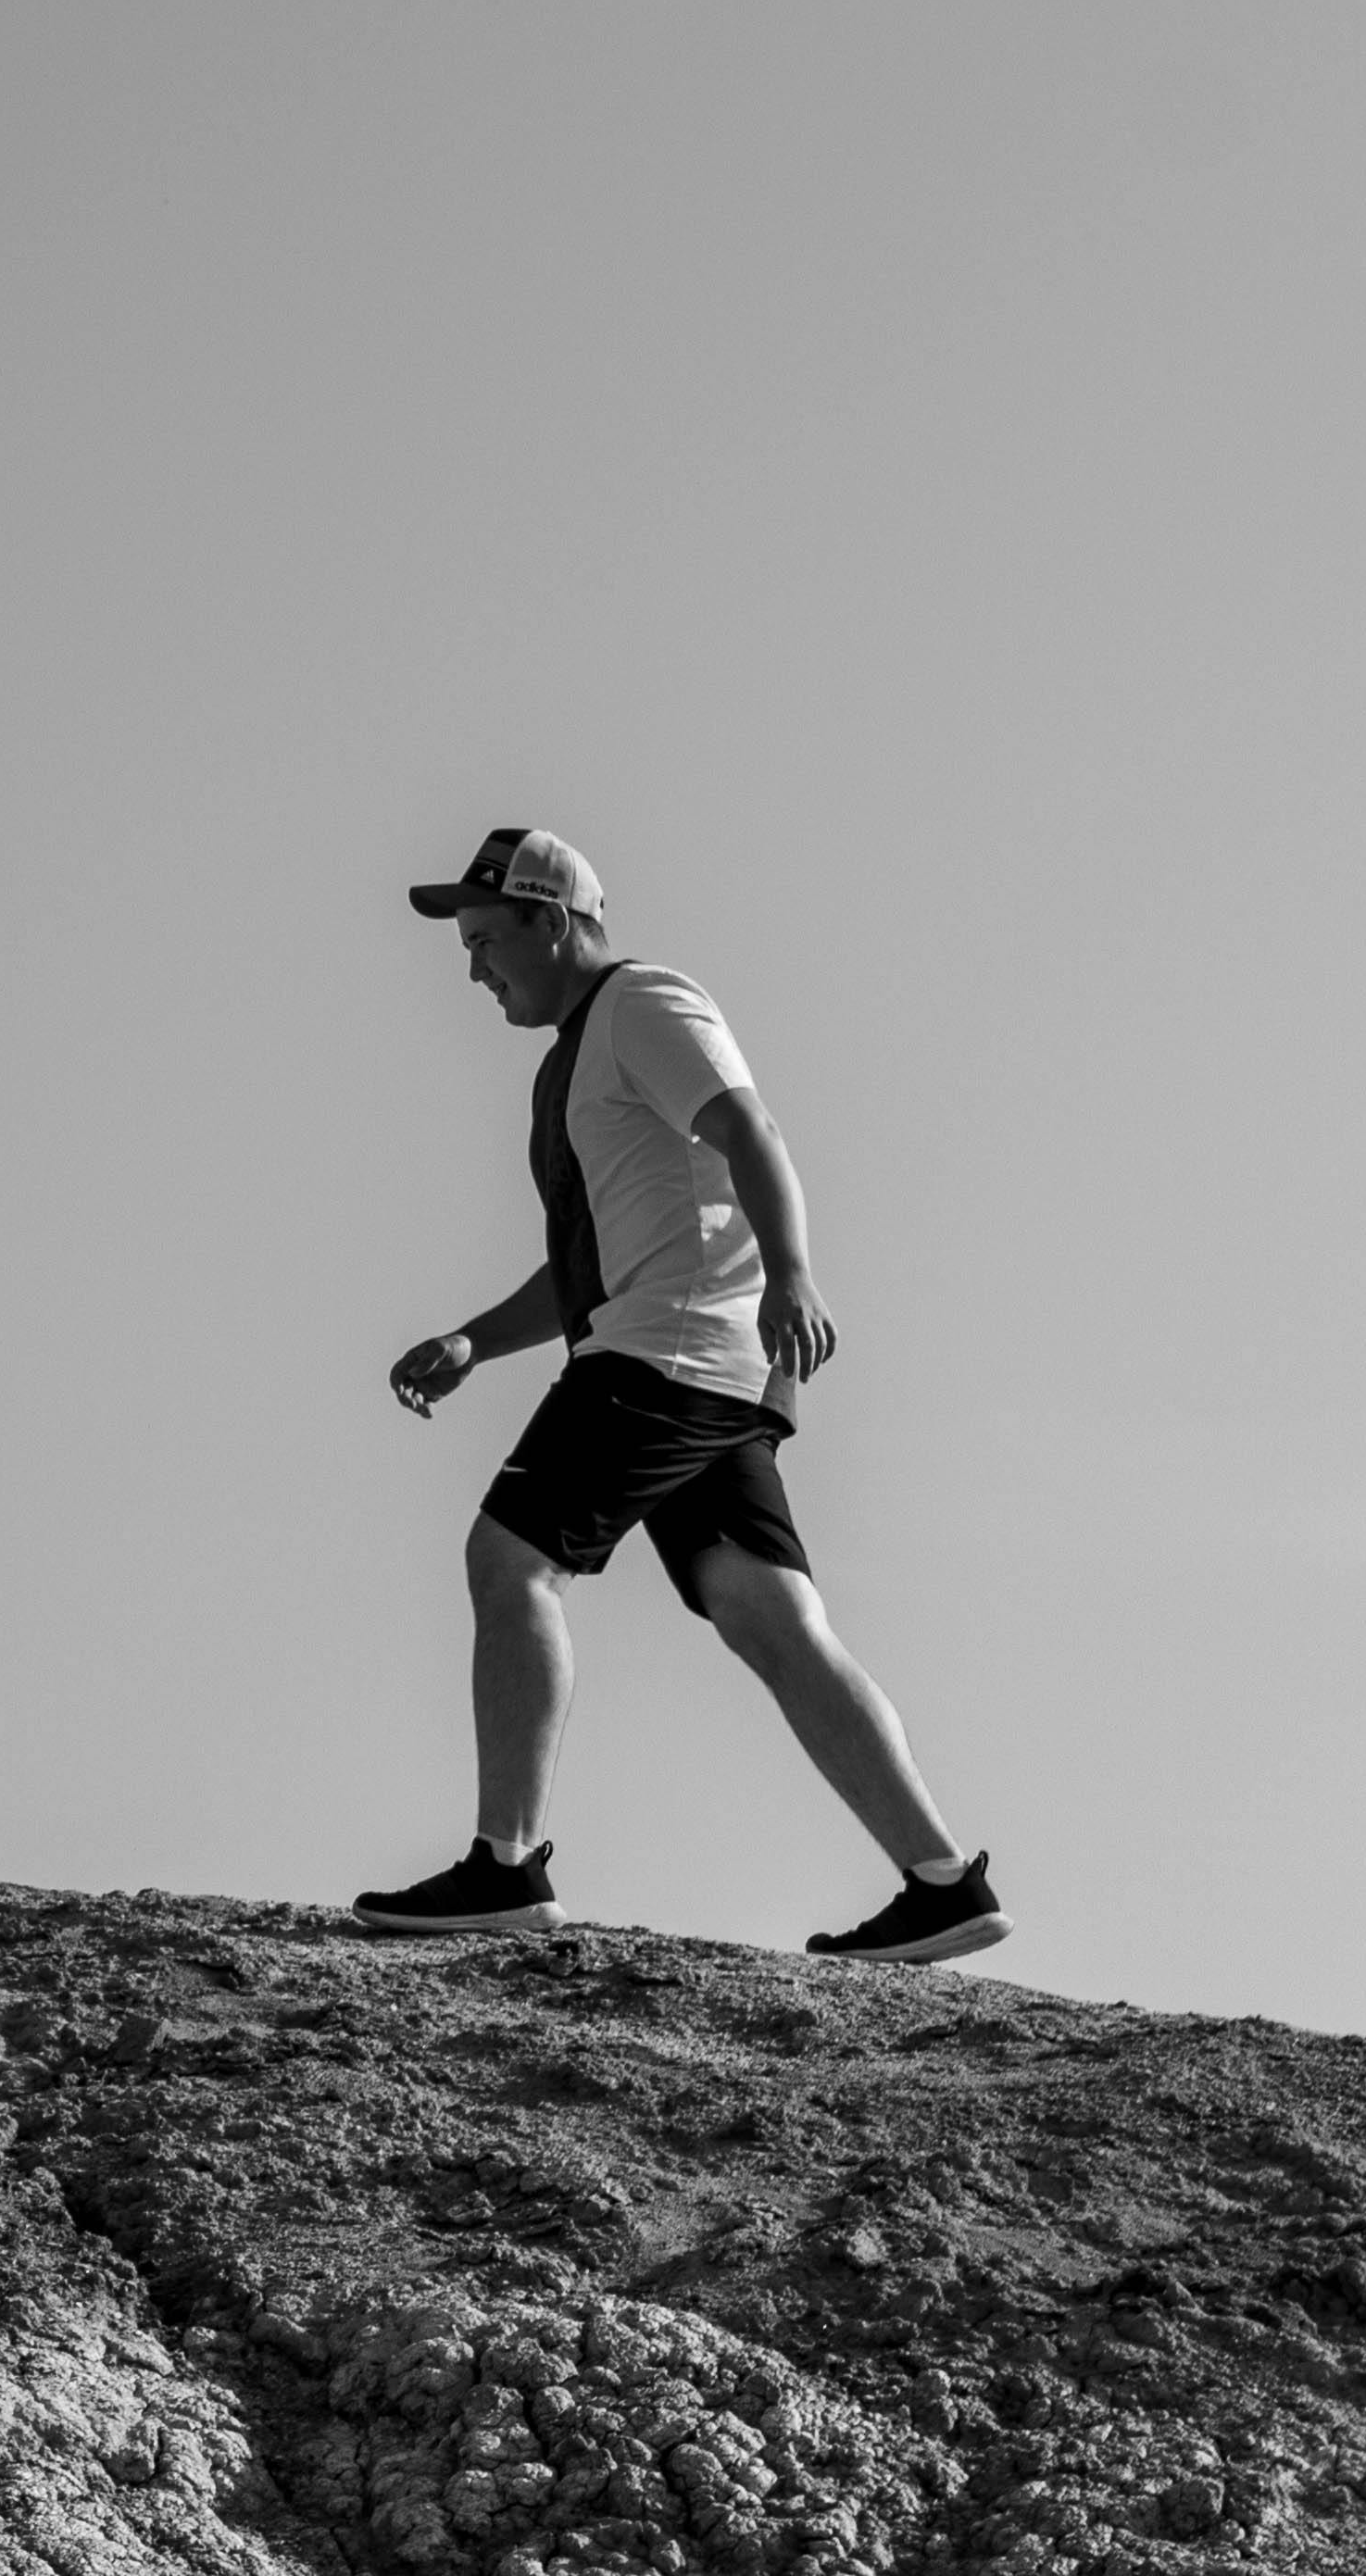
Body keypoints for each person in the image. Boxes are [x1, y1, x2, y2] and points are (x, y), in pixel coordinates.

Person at [355, 827, 1008, 1965]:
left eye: (484, 939)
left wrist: (796, 1272)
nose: (472, 969)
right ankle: (943, 1884)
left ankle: (504, 1866)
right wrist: (475, 1339)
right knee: (774, 1622)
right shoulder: (577, 1055)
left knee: (508, 1562)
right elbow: (595, 1261)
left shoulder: (642, 1005)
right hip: (694, 1362)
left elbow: (748, 1128)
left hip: (661, 1357)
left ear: (551, 921)